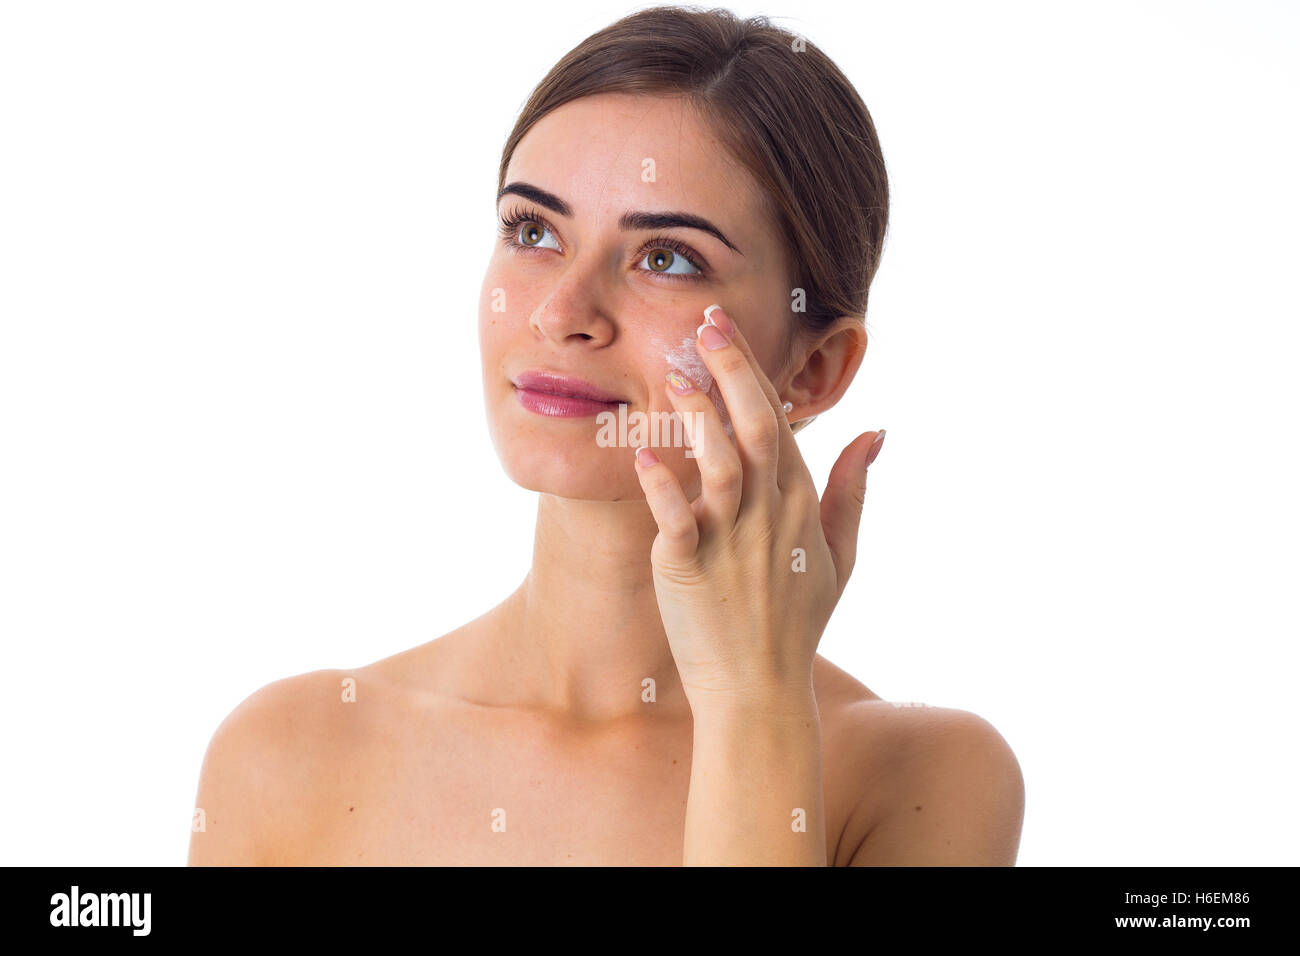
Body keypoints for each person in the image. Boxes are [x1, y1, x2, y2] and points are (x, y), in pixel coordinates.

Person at [189, 5, 1024, 866]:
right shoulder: (289, 754)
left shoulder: (922, 775)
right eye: (534, 231)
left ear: (814, 368)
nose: (558, 314)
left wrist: (752, 703)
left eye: (665, 256)